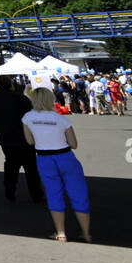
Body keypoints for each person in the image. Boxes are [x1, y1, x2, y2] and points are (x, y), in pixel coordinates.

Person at [22, 87, 91, 243]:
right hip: (65, 156)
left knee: (54, 194)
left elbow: (30, 141)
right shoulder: (61, 119)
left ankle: (61, 233)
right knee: (78, 193)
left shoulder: (27, 118)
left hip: (44, 158)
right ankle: (86, 233)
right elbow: (74, 144)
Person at [0, 77, 45, 204]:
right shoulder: (20, 97)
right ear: (11, 85)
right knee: (31, 167)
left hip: (5, 137)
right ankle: (36, 194)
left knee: (10, 165)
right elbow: (31, 115)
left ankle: (10, 191)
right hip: (24, 137)